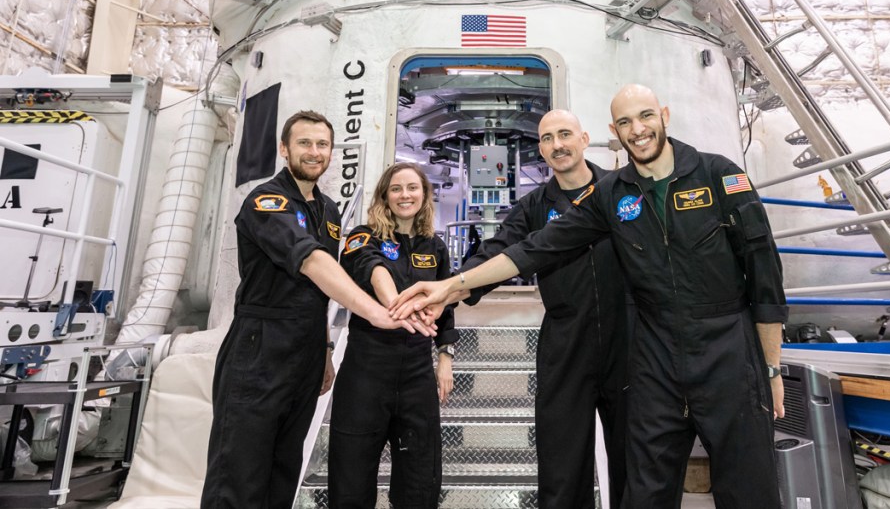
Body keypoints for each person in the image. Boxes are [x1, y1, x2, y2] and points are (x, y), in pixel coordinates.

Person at [392, 85, 788, 509]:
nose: (637, 130)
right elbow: (530, 249)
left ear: (664, 116)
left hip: (689, 346)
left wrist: (770, 367)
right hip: (622, 353)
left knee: (741, 483)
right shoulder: (609, 195)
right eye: (625, 122)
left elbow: (763, 271)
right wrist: (452, 286)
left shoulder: (716, 175)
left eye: (645, 116)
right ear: (613, 131)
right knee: (638, 486)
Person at [201, 111, 434, 509]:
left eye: (322, 144)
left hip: (307, 347)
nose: (314, 152)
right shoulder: (265, 200)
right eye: (305, 143)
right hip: (260, 347)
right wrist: (376, 312)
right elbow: (310, 262)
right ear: (284, 149)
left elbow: (319, 290)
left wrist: (325, 350)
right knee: (238, 473)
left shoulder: (328, 210)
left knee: (283, 466)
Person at [451, 109, 629, 509]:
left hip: (630, 342)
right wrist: (455, 289)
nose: (557, 145)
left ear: (585, 139)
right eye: (547, 139)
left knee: (636, 464)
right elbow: (500, 249)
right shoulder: (535, 205)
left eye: (565, 134)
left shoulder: (621, 190)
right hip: (567, 343)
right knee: (562, 465)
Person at [328, 162, 459, 509]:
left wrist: (444, 355)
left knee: (420, 482)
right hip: (366, 373)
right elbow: (373, 268)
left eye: (412, 188)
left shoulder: (435, 246)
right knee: (351, 481)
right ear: (384, 196)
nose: (405, 195)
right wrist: (400, 307)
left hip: (416, 373)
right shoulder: (362, 234)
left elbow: (445, 304)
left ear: (424, 195)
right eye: (397, 188)